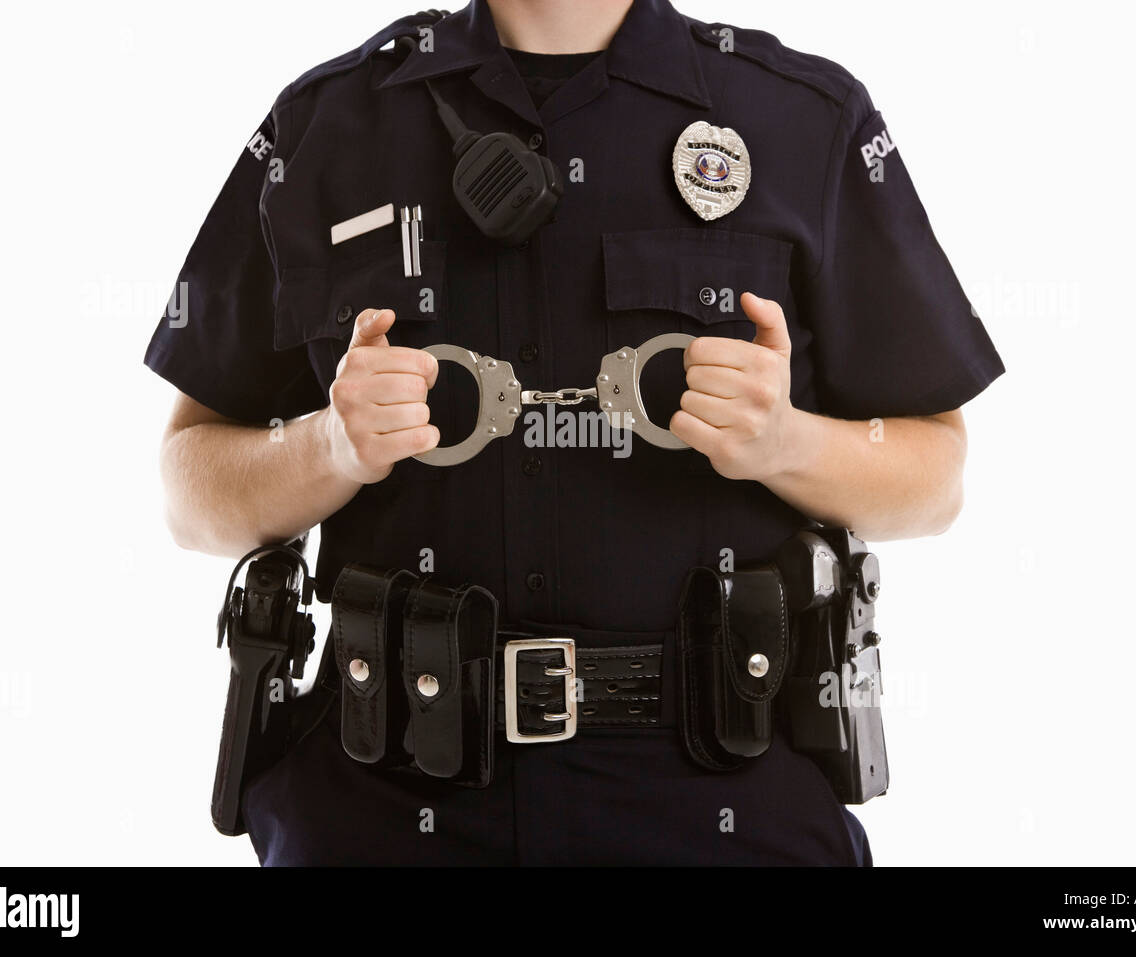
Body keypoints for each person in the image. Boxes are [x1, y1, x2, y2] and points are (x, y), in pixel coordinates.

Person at [144, 0, 1004, 865]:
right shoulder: (326, 124)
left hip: (726, 811)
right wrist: (327, 446)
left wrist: (787, 442)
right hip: (384, 804)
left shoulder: (803, 121)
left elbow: (937, 473)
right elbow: (189, 488)